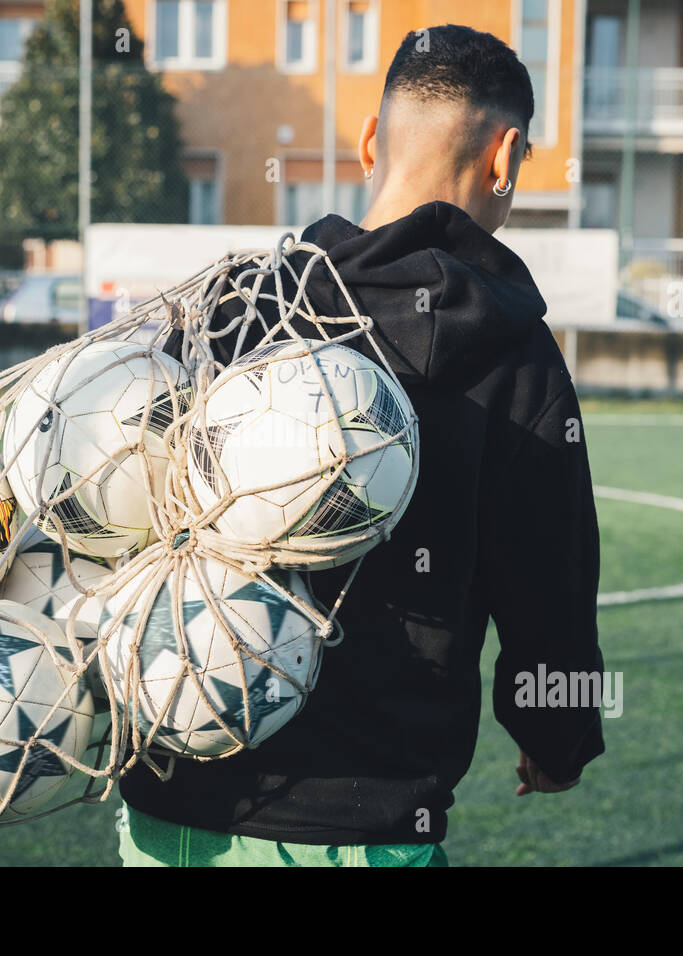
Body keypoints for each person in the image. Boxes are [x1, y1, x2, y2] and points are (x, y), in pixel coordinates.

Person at [117, 23, 605, 867]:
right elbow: (550, 579)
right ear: (507, 156)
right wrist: (555, 737)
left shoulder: (241, 305)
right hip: (363, 822)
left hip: (177, 801)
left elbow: (119, 501)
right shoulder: (516, 357)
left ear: (371, 139)